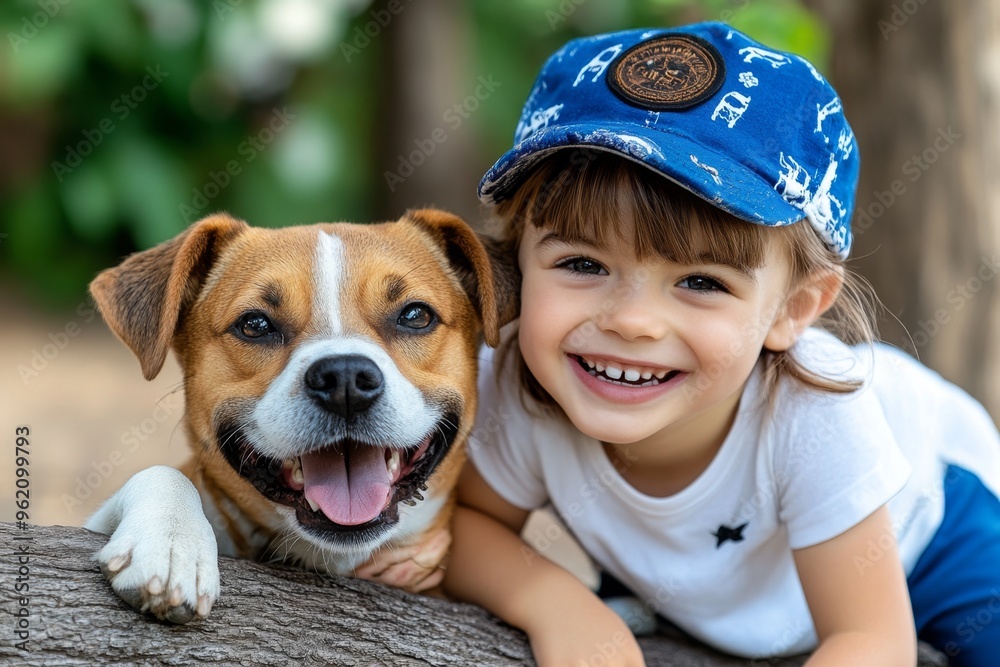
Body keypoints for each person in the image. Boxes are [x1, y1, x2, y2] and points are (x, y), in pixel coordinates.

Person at [357, 22, 1000, 667]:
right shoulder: (517, 383)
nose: (633, 322)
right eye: (582, 264)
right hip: (708, 587)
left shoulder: (818, 418)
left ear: (793, 309)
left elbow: (870, 640)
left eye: (700, 281)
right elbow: (467, 525)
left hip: (930, 533)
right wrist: (560, 605)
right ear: (516, 263)